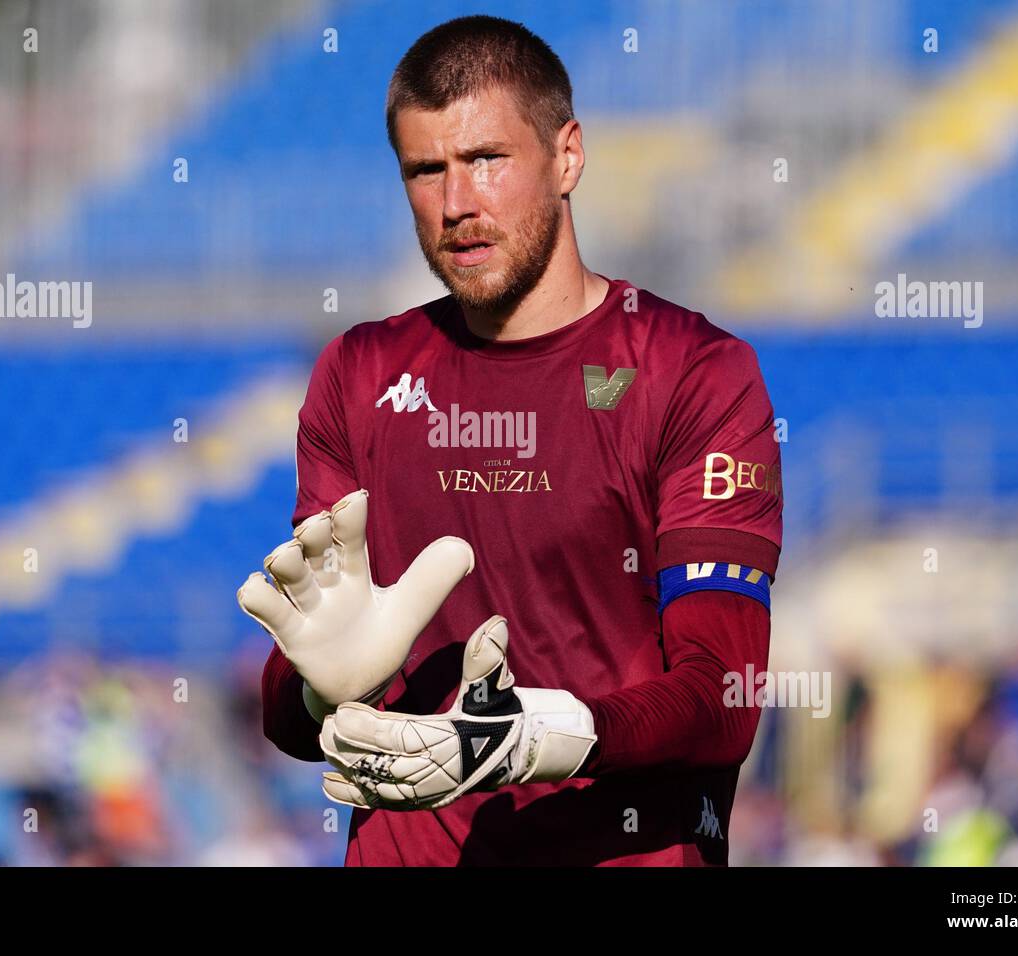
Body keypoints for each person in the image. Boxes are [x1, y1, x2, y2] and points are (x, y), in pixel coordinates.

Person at [247, 14, 783, 866]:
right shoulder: (359, 372)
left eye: (486, 160)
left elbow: (725, 694)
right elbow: (287, 709)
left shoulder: (695, 372)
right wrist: (319, 692)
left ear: (567, 157)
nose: (458, 203)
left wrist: (546, 736)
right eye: (427, 171)